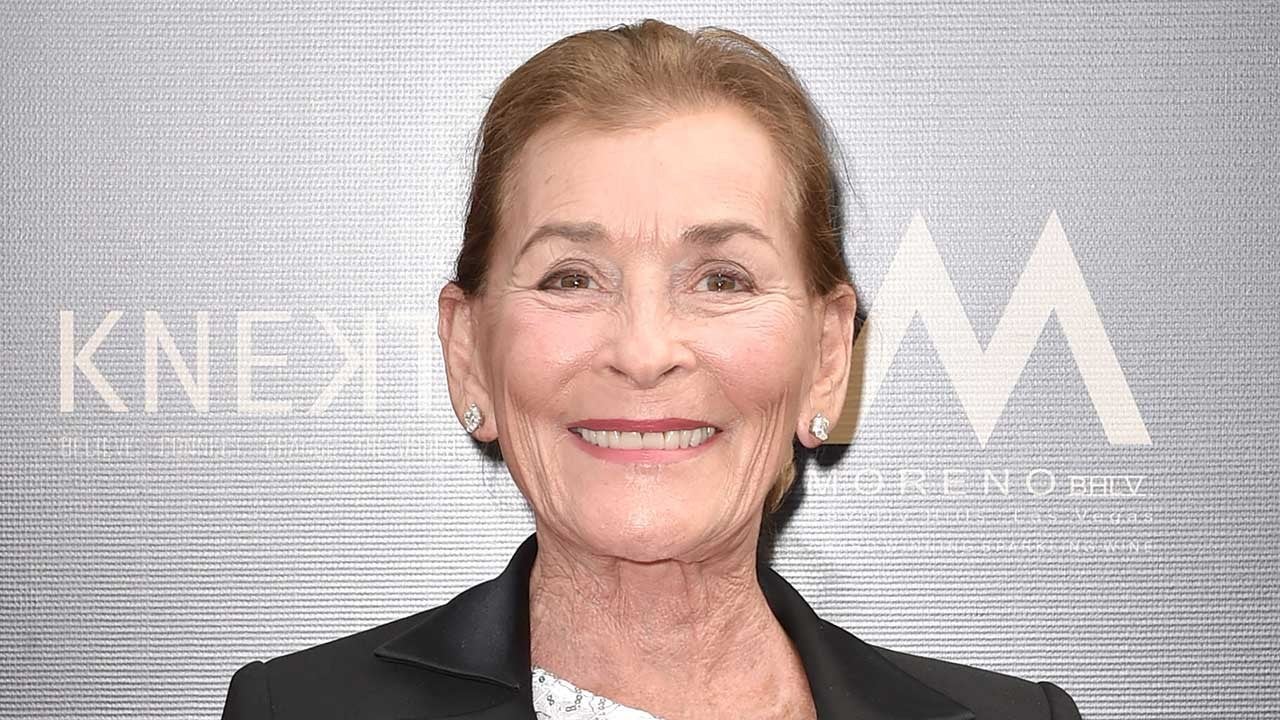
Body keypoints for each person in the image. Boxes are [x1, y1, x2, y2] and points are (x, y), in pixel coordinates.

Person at [221, 19, 1082, 720]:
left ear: (827, 356)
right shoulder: (298, 711)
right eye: (571, 279)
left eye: (721, 280)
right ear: (469, 351)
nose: (642, 352)